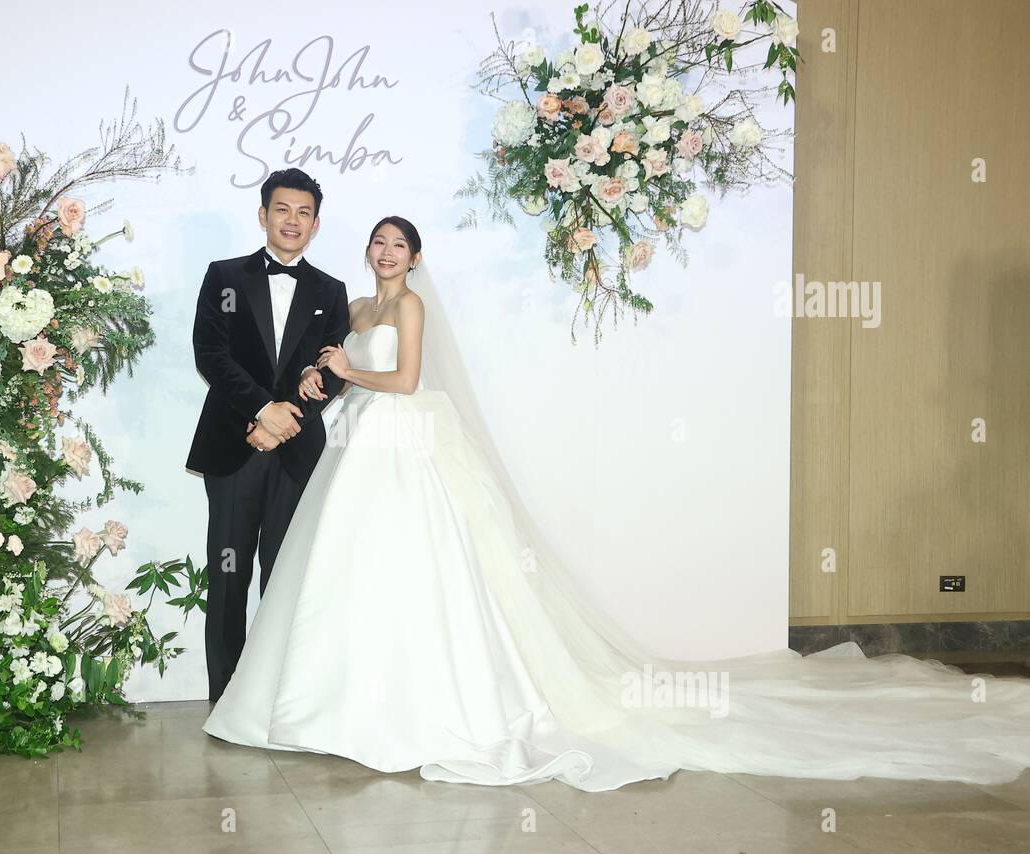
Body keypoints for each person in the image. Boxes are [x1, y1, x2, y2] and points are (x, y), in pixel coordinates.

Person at [202, 215, 1030, 793]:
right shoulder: (352, 306)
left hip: (411, 444)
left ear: (416, 259)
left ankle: (432, 707)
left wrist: (351, 375)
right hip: (363, 449)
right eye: (379, 242)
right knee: (352, 574)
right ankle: (333, 704)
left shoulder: (411, 305)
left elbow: (408, 380)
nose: (386, 253)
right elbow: (335, 366)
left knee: (434, 574)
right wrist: (321, 375)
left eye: (399, 245)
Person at [186, 168, 350, 702]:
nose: (292, 221)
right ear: (263, 215)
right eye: (282, 209)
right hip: (234, 445)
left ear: (316, 224)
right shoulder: (224, 276)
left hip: (297, 453)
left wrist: (286, 419)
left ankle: (275, 699)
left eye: (304, 212)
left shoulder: (331, 290)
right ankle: (225, 699)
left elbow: (331, 372)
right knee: (229, 574)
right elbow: (211, 355)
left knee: (284, 579)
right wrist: (260, 413)